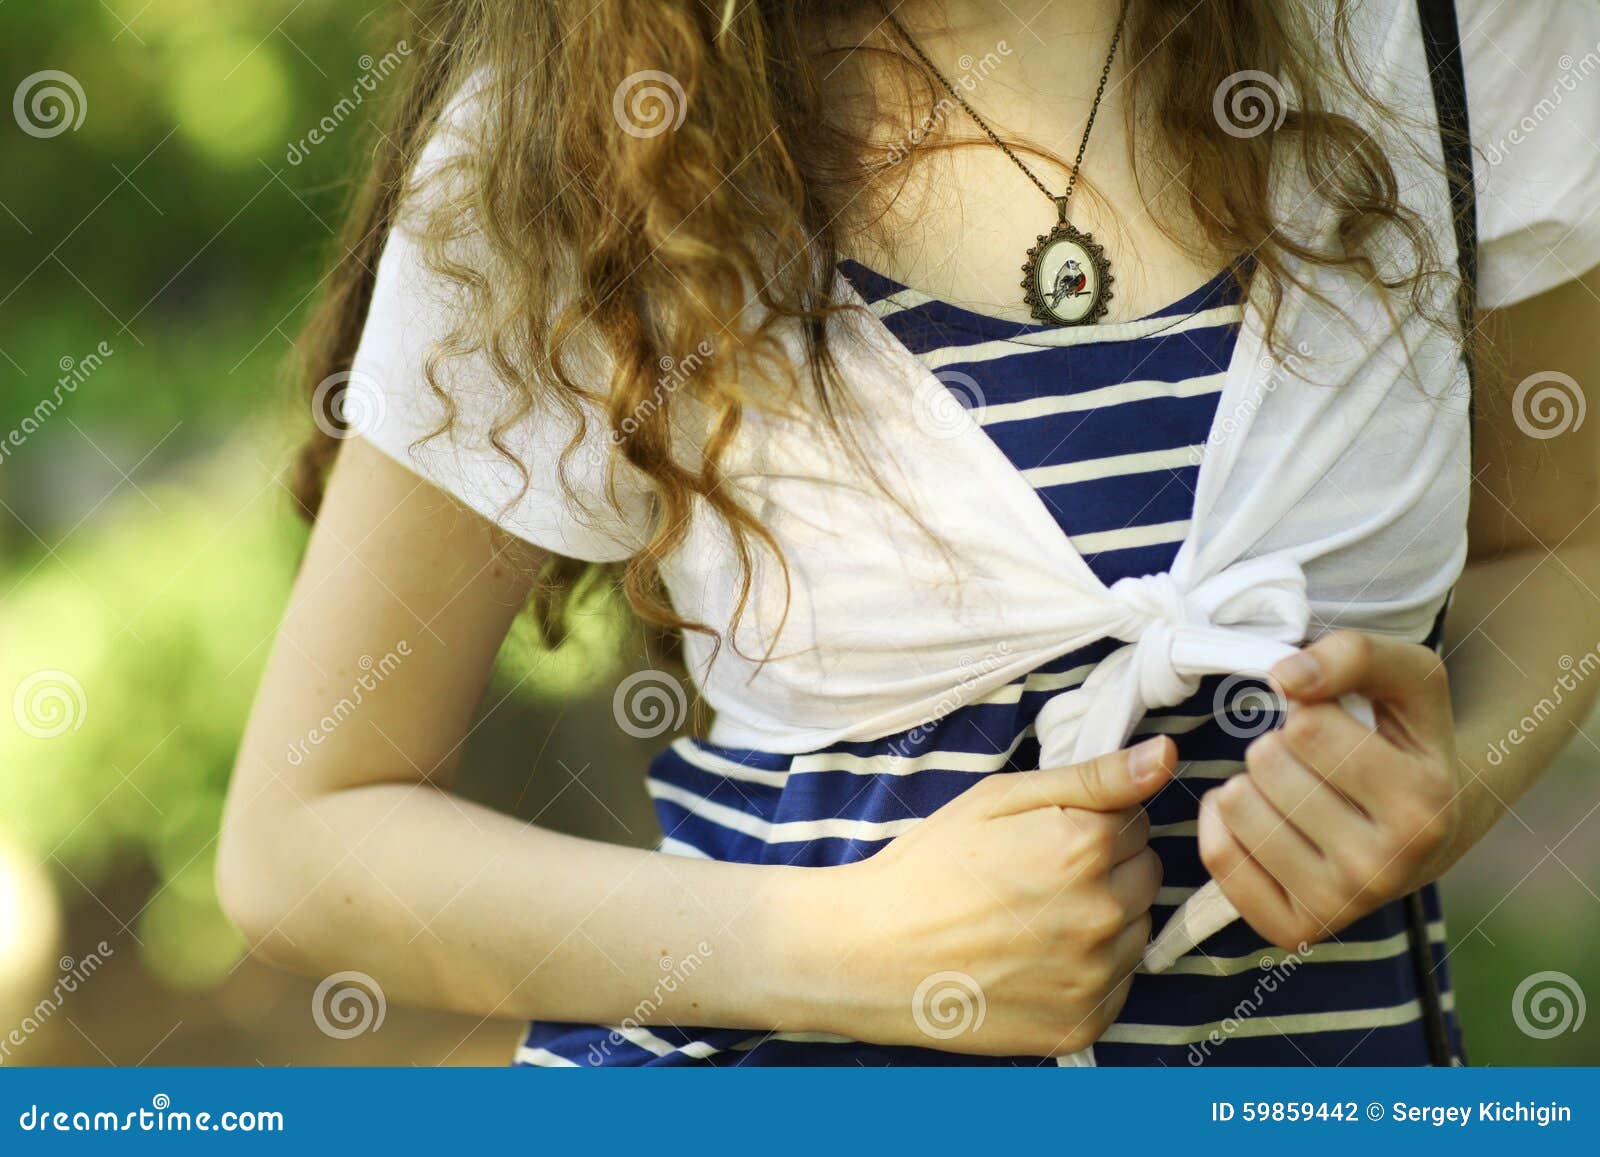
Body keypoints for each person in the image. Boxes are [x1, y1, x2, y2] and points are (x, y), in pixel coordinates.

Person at [220, 0, 1600, 1065]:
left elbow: (1561, 542)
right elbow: (303, 836)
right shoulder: (586, 115)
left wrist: (1454, 777)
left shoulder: (1446, 36)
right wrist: (837, 944)